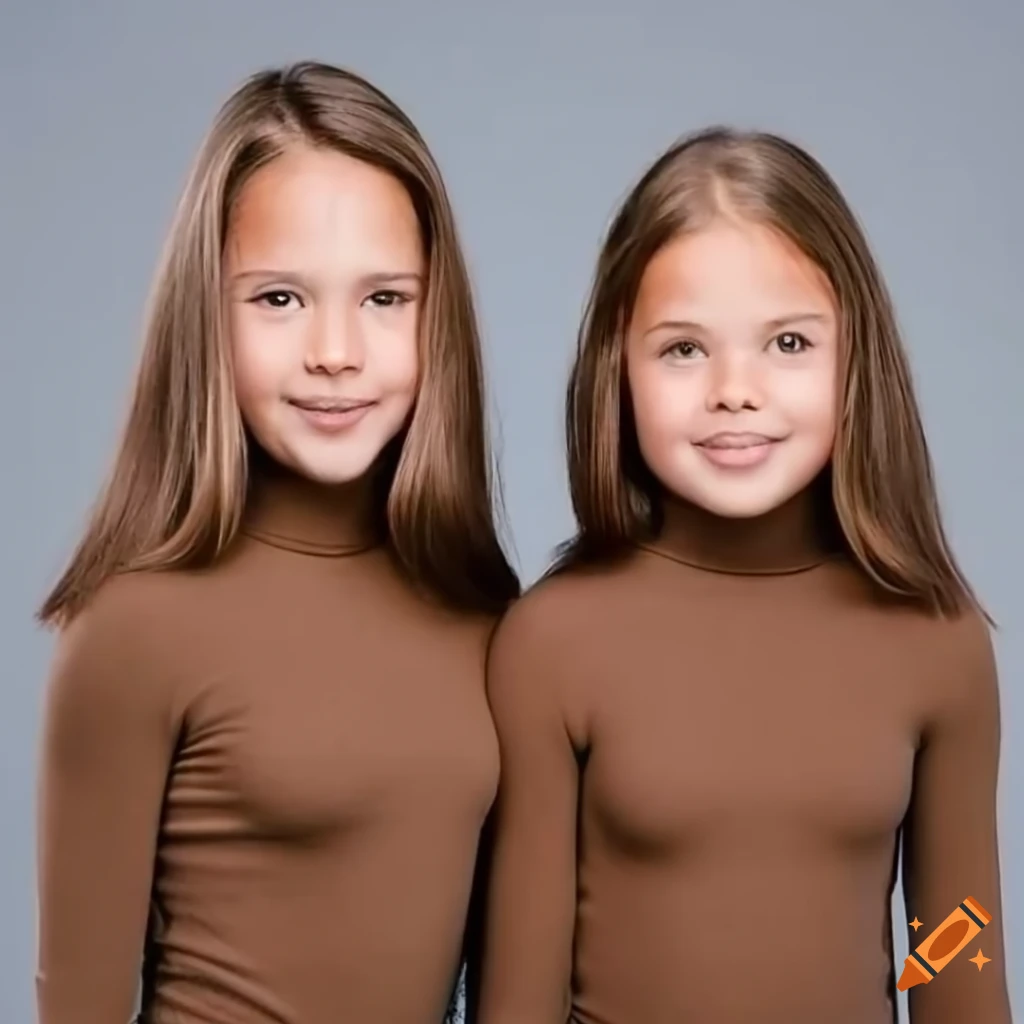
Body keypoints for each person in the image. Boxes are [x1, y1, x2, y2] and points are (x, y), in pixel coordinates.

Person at [473, 128, 1011, 1023]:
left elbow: (956, 949)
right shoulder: (553, 643)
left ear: (856, 356)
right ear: (620, 366)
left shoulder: (938, 642)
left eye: (789, 344)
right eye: (684, 349)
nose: (735, 389)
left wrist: (943, 968)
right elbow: (517, 1000)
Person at [35, 60, 519, 1024]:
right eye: (280, 299)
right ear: (206, 313)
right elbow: (78, 1000)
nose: (334, 350)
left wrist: (919, 973)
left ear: (439, 315)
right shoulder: (134, 628)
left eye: (384, 298)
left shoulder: (488, 616)